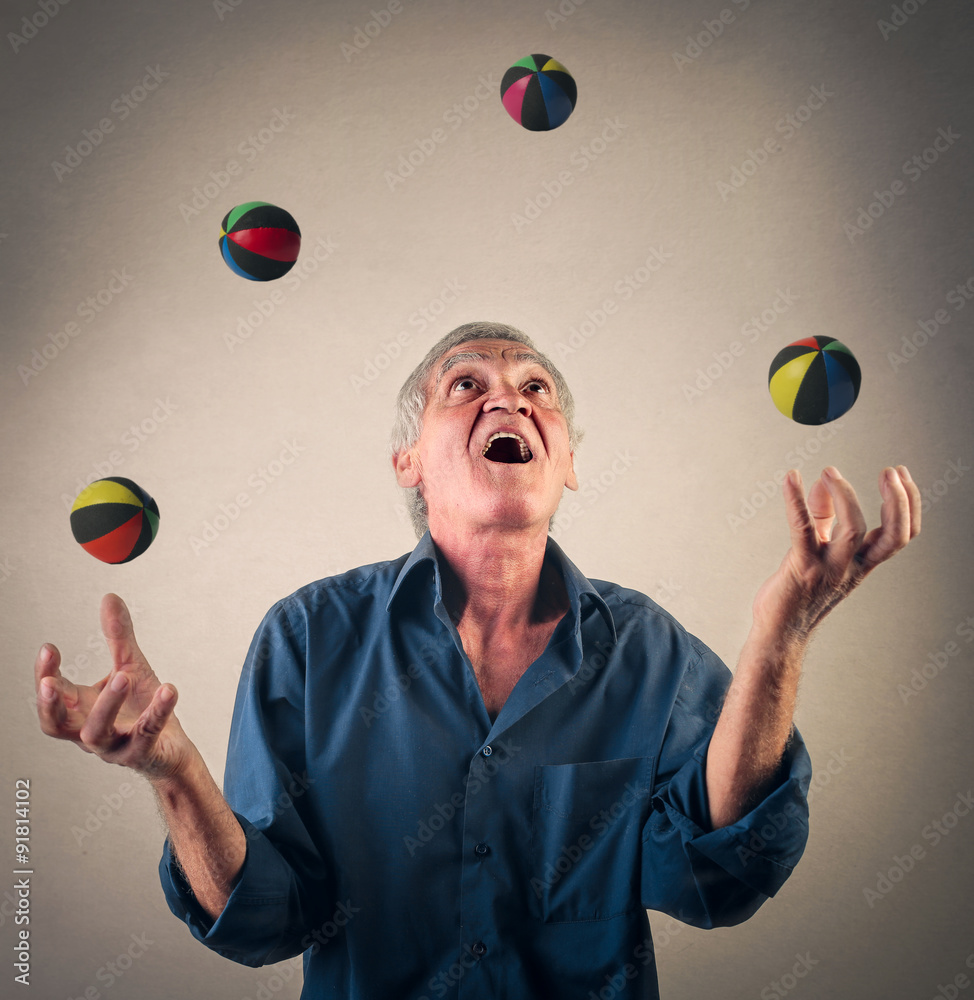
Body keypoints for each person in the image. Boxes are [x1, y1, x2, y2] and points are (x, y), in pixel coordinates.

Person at [35, 321, 921, 999]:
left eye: (537, 389)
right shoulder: (308, 638)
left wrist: (782, 633)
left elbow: (718, 877)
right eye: (467, 386)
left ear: (567, 461)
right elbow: (268, 918)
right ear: (408, 461)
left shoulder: (646, 649)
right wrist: (172, 769)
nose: (510, 400)